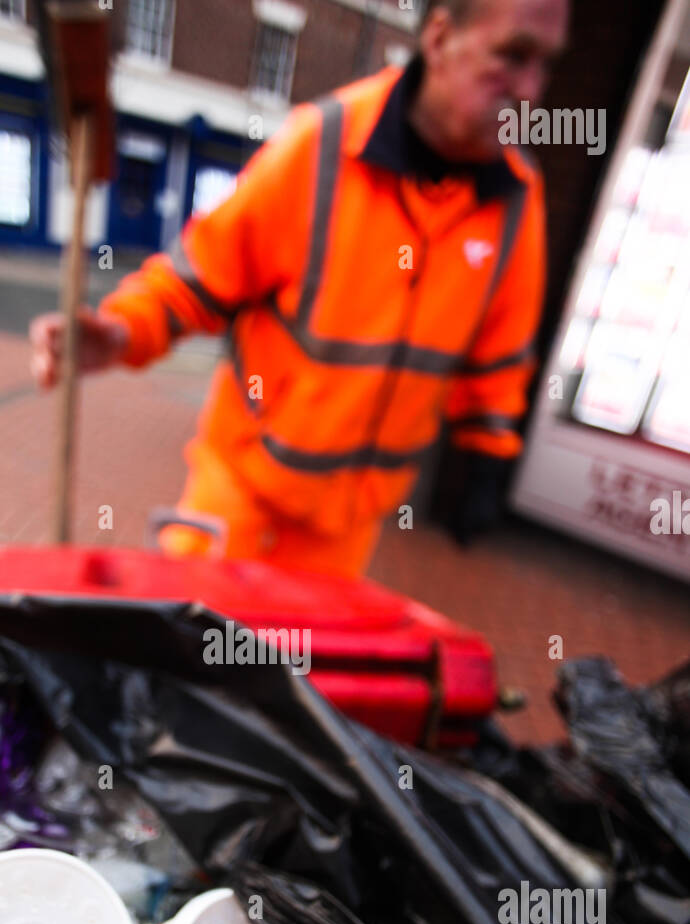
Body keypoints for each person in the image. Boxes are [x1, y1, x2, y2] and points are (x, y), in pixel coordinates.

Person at [30, 0, 569, 577]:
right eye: (512, 56)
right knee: (203, 655)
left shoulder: (516, 198)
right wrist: (120, 331)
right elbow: (199, 277)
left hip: (347, 529)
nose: (530, 90)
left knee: (300, 667)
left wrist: (487, 454)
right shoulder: (322, 147)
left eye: (545, 65)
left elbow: (501, 354)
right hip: (240, 505)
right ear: (439, 38)